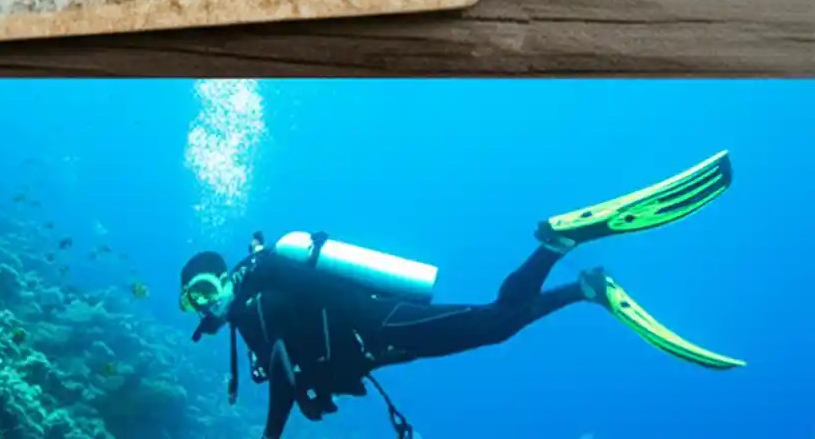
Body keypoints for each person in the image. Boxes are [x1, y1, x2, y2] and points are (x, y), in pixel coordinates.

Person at [178, 151, 744, 439]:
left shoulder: (254, 304)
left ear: (225, 277)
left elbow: (281, 378)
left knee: (495, 322)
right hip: (382, 338)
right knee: (497, 324)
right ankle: (587, 289)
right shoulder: (255, 307)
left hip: (380, 325)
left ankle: (555, 245)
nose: (203, 305)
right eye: (191, 302)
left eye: (203, 289)